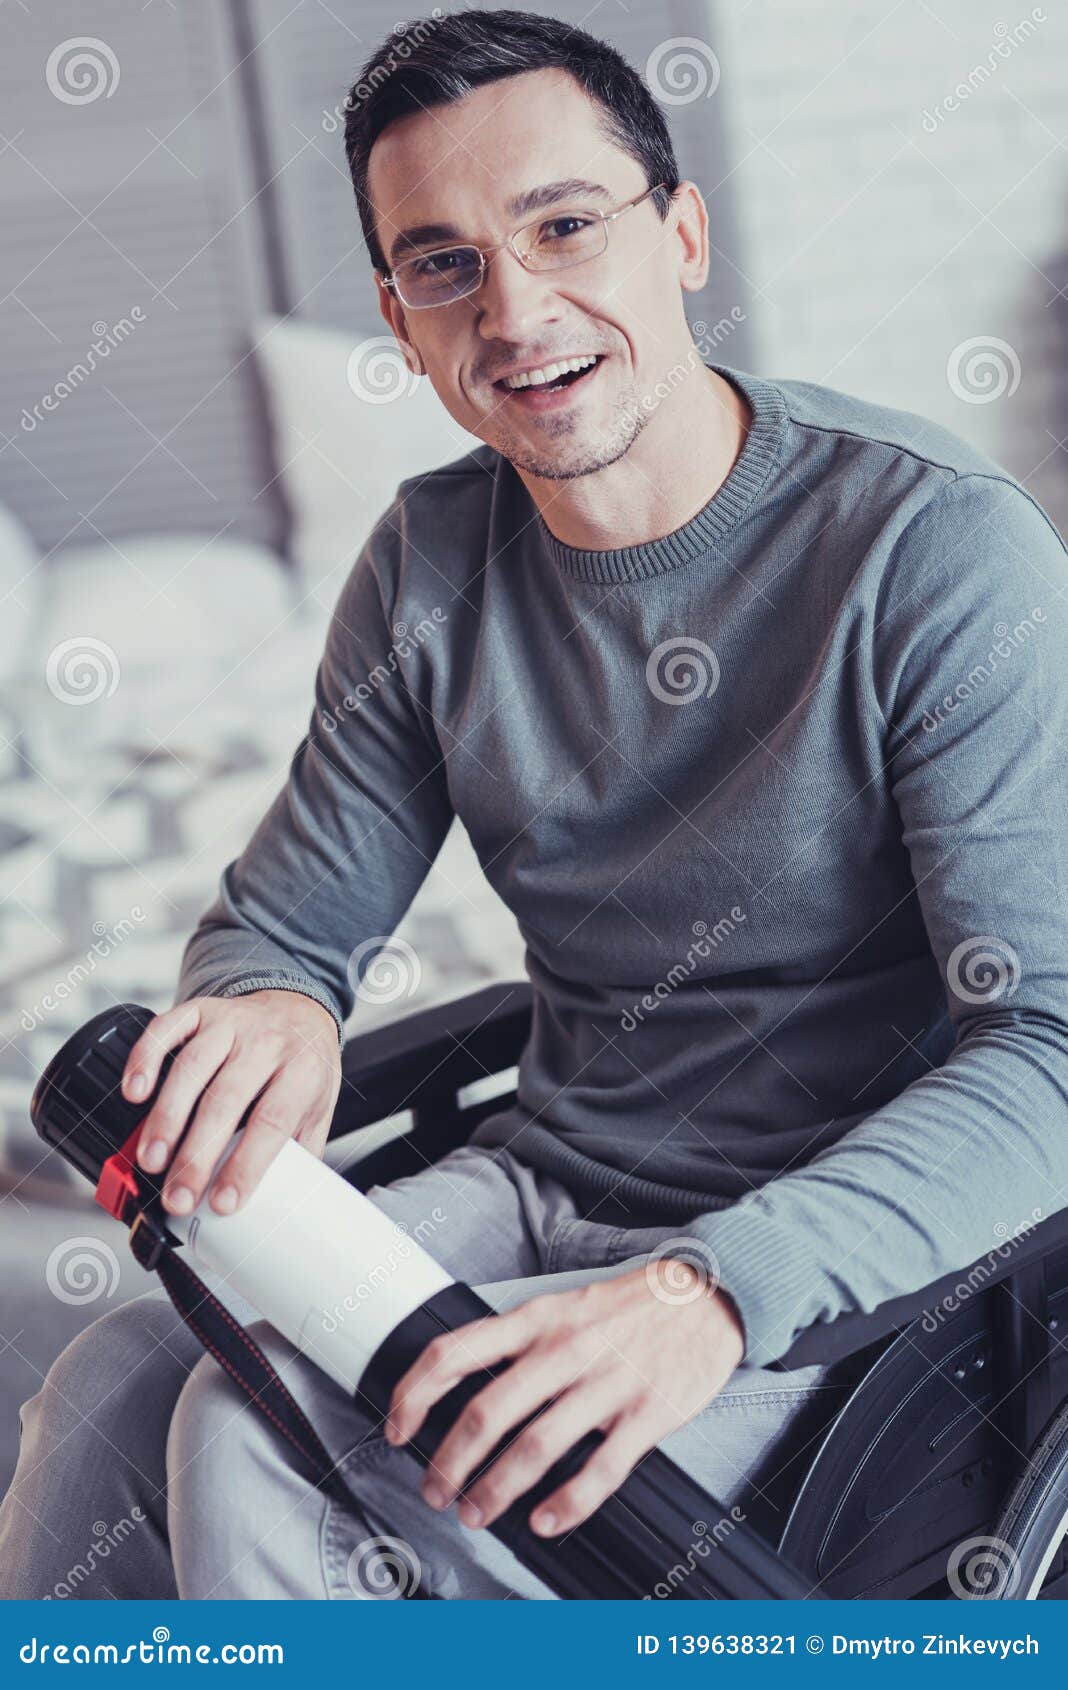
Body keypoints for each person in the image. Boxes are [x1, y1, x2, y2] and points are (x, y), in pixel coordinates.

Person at [3, 8, 1067, 1601]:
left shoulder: (931, 551)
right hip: (553, 1176)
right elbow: (290, 924)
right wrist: (269, 994)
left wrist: (707, 1289)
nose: (515, 308)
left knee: (258, 1438)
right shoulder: (429, 565)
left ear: (682, 234)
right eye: (443, 266)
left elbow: (1052, 1048)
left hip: (846, 1254)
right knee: (108, 1389)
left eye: (564, 225)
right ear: (398, 319)